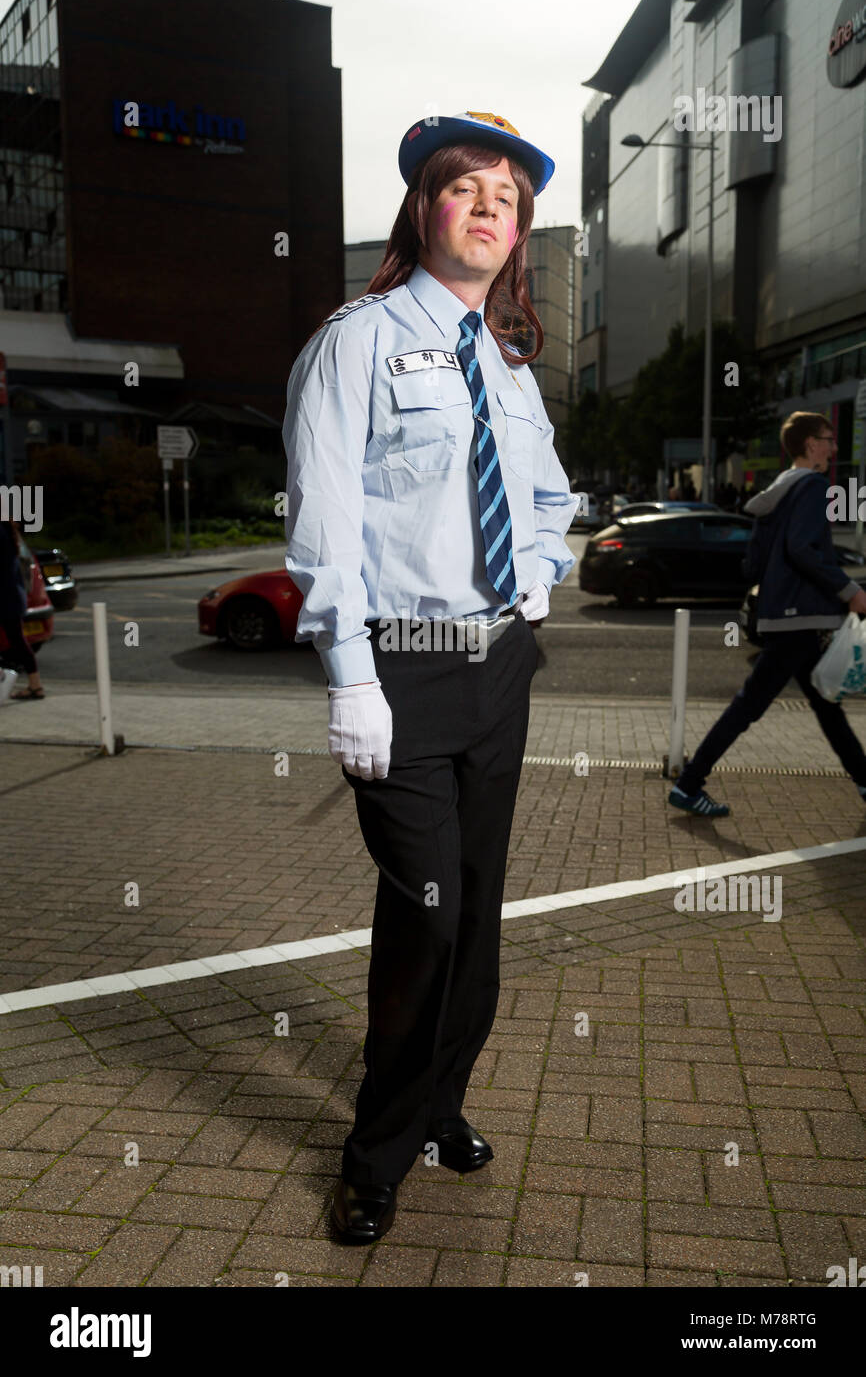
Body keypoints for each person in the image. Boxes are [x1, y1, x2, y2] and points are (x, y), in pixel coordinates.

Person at [282, 110, 576, 1242]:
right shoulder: (353, 341)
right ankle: (375, 1151)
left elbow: (548, 500)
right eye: (468, 189)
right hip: (399, 669)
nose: (490, 208)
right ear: (423, 206)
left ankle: (439, 1100)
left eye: (508, 197)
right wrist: (349, 676)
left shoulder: (505, 361)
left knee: (480, 918)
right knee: (429, 916)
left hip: (499, 665)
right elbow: (324, 524)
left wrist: (541, 570)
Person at [669, 411, 866, 816]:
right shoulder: (811, 486)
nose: (833, 447)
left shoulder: (777, 490)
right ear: (811, 444)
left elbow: (753, 565)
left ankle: (865, 781)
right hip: (801, 618)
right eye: (828, 439)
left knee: (826, 707)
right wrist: (849, 591)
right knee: (749, 707)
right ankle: (689, 784)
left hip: (783, 614)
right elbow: (801, 548)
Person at [0, 518, 44, 699]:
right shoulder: (7, 529)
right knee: (18, 640)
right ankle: (35, 685)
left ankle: (34, 685)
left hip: (4, 596)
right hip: (11, 595)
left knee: (17, 640)